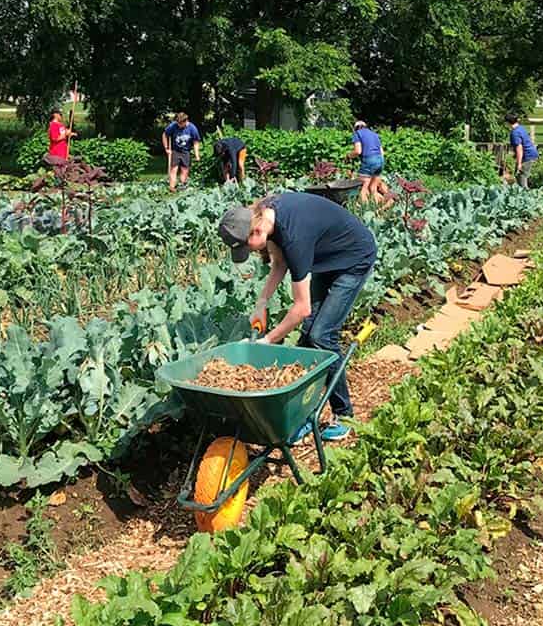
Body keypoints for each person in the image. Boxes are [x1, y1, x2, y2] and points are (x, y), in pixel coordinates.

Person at [217, 192, 377, 442]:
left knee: (321, 336)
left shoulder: (294, 236)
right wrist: (261, 303)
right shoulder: (267, 216)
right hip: (326, 256)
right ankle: (304, 413)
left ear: (256, 230)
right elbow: (279, 264)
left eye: (247, 247)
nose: (251, 253)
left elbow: (302, 309)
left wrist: (267, 341)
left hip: (354, 258)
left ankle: (344, 416)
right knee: (307, 336)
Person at [346, 121, 390, 205]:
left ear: (356, 128)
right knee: (373, 188)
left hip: (369, 160)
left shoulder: (358, 133)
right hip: (380, 160)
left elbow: (358, 151)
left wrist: (348, 156)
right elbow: (382, 152)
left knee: (363, 188)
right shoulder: (374, 134)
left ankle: (364, 209)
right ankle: (378, 207)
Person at [163, 112, 201, 192]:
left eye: (180, 124)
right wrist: (167, 148)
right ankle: (172, 187)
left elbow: (196, 142)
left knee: (185, 169)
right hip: (175, 150)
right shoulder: (173, 125)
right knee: (173, 169)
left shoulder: (192, 128)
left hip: (186, 151)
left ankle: (182, 186)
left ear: (186, 121)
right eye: (178, 123)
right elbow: (165, 135)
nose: (179, 125)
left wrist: (197, 155)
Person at [505, 114, 539, 189]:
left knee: (521, 176)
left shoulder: (515, 133)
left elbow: (519, 148)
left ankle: (525, 193)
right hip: (531, 153)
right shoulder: (520, 128)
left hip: (527, 155)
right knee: (519, 175)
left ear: (507, 122)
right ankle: (525, 191)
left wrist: (519, 163)